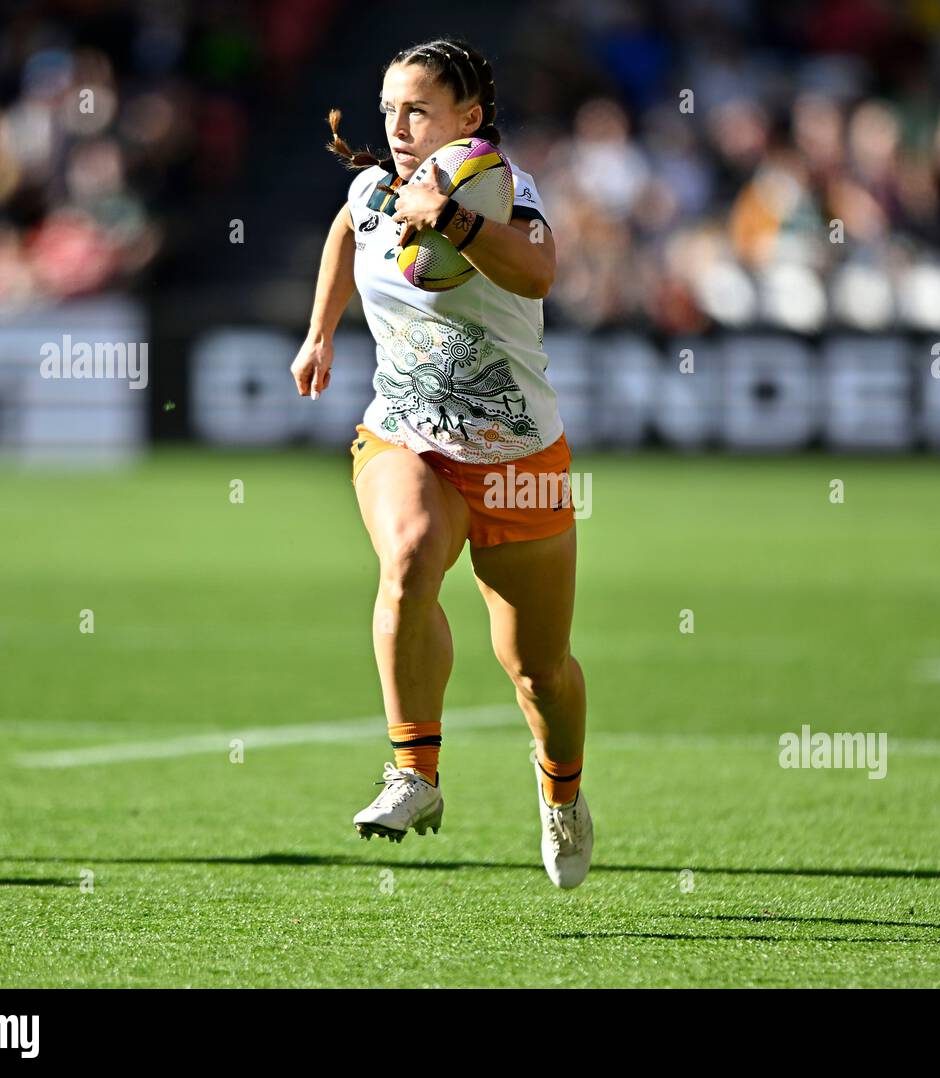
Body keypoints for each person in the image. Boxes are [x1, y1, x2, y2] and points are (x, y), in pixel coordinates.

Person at [289, 37, 592, 888]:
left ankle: (562, 794)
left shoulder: (499, 188)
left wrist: (449, 218)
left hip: (518, 460)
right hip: (407, 436)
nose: (397, 125)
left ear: (469, 118)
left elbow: (537, 271)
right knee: (411, 553)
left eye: (417, 109)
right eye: (389, 108)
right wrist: (319, 332)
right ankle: (413, 772)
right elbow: (350, 226)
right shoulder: (375, 184)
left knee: (539, 671)